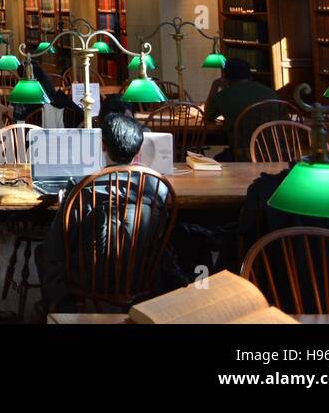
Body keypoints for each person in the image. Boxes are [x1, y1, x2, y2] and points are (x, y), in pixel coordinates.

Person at [40, 113, 187, 313]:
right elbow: (159, 236)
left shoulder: (82, 186)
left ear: (103, 145)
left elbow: (58, 241)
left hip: (90, 277)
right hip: (139, 275)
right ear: (139, 149)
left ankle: (59, 308)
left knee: (44, 251)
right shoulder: (158, 186)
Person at [203, 58, 281, 160]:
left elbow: (208, 116)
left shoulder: (224, 95)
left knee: (216, 160)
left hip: (244, 153)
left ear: (225, 77)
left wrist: (214, 86)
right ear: (250, 75)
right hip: (275, 151)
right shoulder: (270, 92)